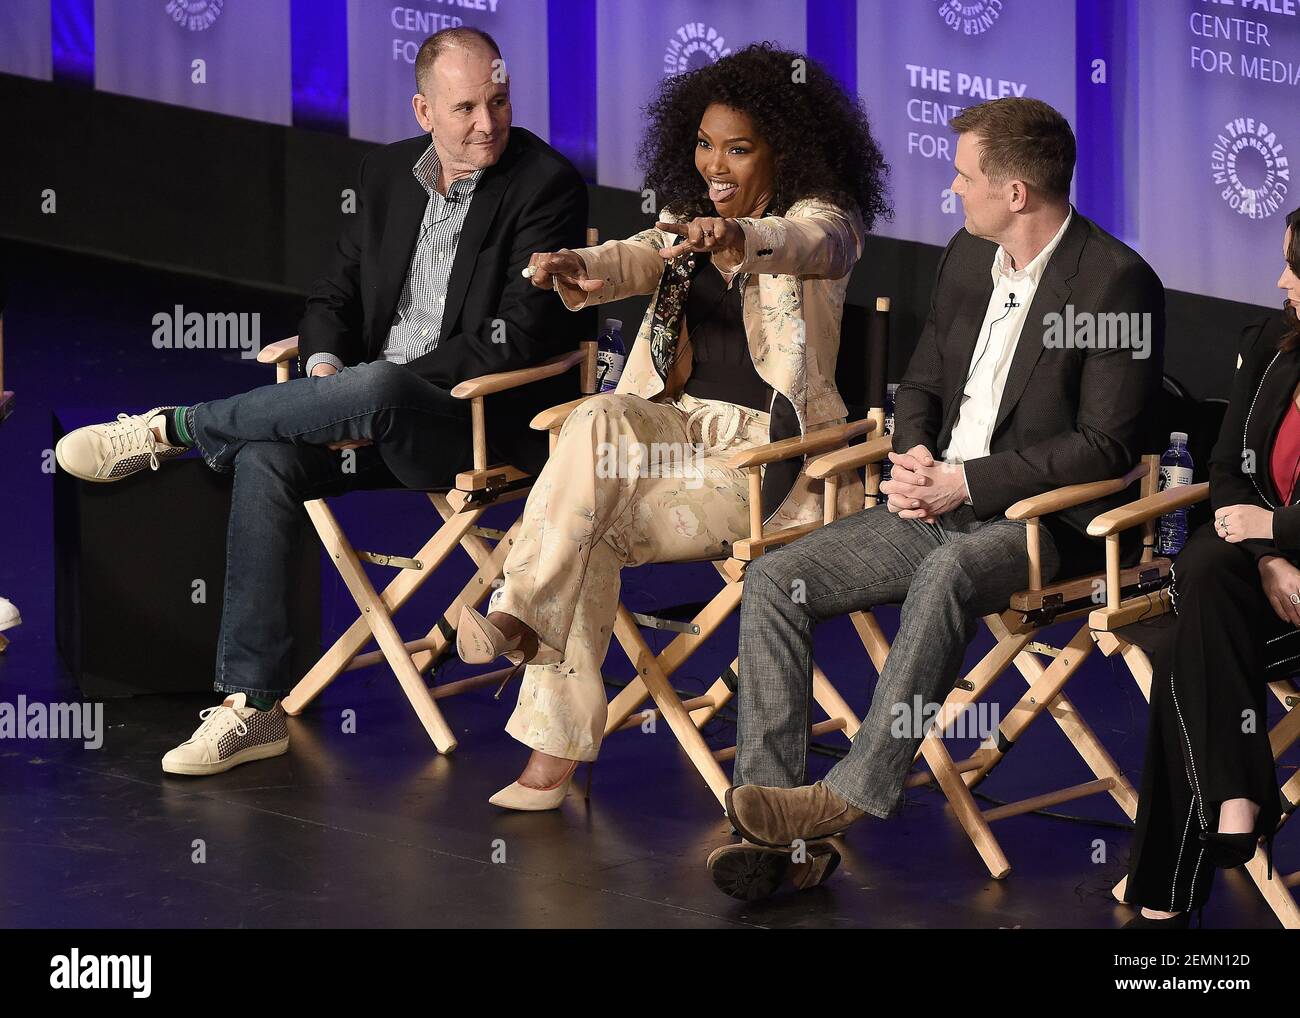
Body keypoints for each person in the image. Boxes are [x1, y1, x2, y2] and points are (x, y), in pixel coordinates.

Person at [53, 27, 587, 776]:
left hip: (470, 425)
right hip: (360, 408)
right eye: (465, 106)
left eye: (497, 101)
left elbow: (516, 341)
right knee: (271, 455)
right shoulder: (383, 178)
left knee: (374, 385)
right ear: (424, 111)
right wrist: (330, 369)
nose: (487, 123)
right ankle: (253, 707)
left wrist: (359, 393)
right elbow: (332, 297)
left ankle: (174, 428)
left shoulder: (546, 186)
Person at [707, 96, 1166, 900]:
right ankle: (774, 835)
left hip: (1039, 525)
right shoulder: (965, 255)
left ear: (1016, 192)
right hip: (936, 496)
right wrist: (917, 455)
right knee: (777, 580)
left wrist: (970, 481)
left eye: (964, 177)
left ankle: (850, 793)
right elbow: (918, 380)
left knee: (949, 572)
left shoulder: (1114, 282)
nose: (953, 191)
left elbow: (1105, 446)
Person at [453, 43, 890, 816]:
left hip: (768, 464)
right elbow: (634, 257)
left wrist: (743, 240)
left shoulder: (825, 223)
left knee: (591, 527)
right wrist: (572, 262)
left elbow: (809, 246)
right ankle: (520, 608)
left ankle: (542, 725)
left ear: (783, 151)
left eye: (738, 147)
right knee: (594, 414)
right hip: (678, 427)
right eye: (703, 143)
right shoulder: (689, 226)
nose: (714, 162)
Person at [1124, 206, 1300, 928]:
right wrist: (1270, 555)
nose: (1282, 278)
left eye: (1297, 264)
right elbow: (1227, 470)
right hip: (1274, 583)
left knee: (1182, 647)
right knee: (1205, 572)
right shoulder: (1271, 342)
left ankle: (1176, 875)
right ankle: (1241, 789)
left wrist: (1278, 525)